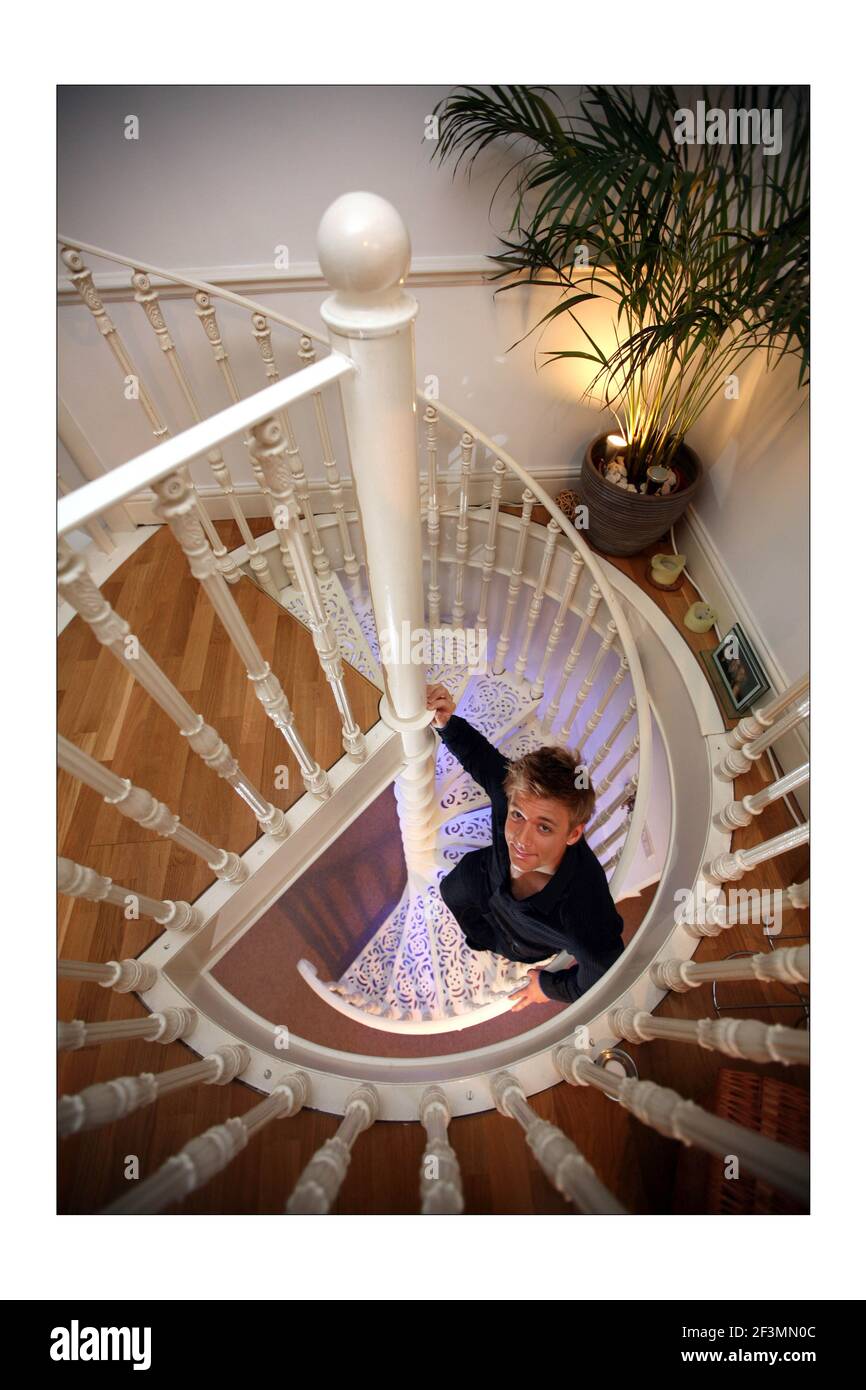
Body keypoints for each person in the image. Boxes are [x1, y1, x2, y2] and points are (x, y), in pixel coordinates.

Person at [426, 683, 625, 1013]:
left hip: (520, 939)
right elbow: (483, 760)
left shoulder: (585, 911)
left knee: (500, 943)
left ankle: (487, 943)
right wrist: (447, 722)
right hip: (481, 877)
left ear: (573, 834)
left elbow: (603, 971)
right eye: (517, 815)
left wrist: (548, 988)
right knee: (452, 890)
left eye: (544, 827)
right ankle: (477, 937)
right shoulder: (515, 793)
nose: (521, 839)